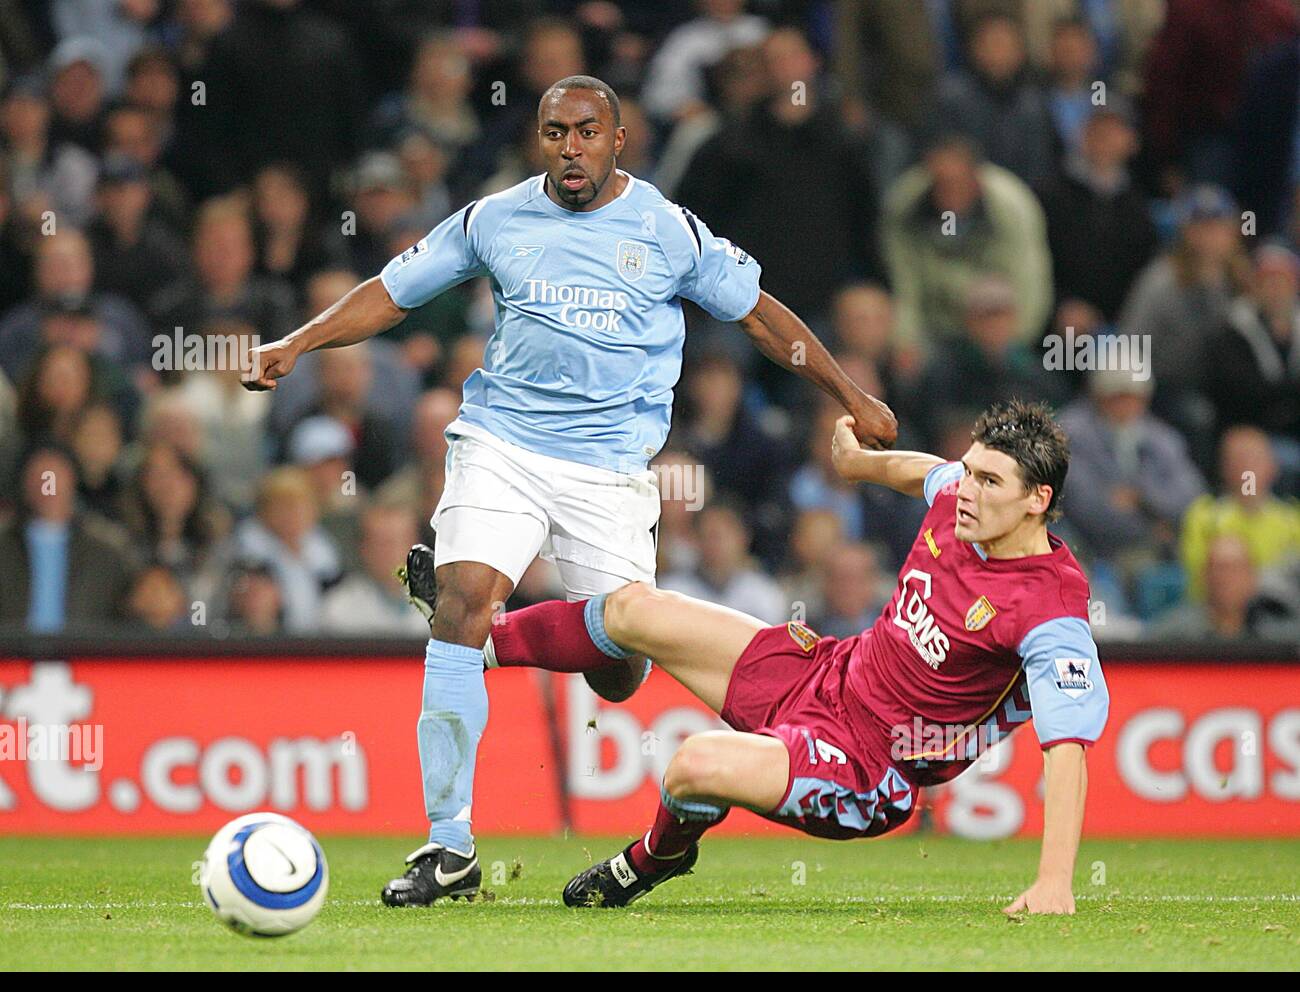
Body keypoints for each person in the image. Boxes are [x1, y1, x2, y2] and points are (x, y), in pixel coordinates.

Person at [239, 75, 897, 907]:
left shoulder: (665, 229)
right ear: (538, 139)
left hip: (611, 471)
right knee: (463, 592)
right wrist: (297, 343)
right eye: (555, 133)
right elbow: (393, 291)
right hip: (501, 444)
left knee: (618, 668)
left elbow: (760, 316)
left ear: (619, 140)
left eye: (587, 132)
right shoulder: (495, 217)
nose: (571, 147)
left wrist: (852, 394)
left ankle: (492, 638)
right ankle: (449, 847)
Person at [483, 399, 1109, 914]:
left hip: (870, 766)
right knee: (632, 610)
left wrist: (1055, 880)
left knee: (692, 764)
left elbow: (1068, 747)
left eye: (989, 481)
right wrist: (860, 464)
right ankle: (475, 640)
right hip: (828, 671)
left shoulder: (1050, 610)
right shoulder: (961, 502)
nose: (966, 489)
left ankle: (659, 857)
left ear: (1037, 499)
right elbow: (927, 472)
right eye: (970, 471)